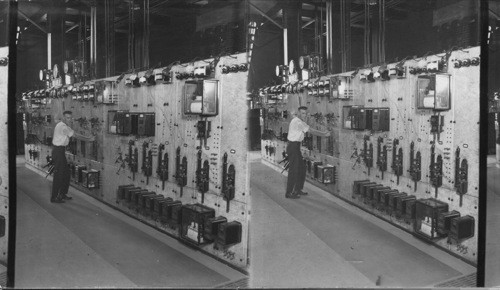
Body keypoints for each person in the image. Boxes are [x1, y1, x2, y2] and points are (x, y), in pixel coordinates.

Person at [285, 106, 330, 199]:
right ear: (298, 113)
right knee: (294, 170)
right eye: (302, 113)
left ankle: (298, 189)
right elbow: (311, 130)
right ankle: (289, 193)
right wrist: (324, 134)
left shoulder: (300, 121)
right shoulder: (297, 122)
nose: (304, 115)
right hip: (293, 146)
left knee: (302, 168)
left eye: (305, 113)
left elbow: (308, 129)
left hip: (296, 146)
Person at [51, 111, 94, 203]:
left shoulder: (65, 126)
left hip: (60, 151)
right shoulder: (62, 127)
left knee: (66, 174)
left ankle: (62, 194)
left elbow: (74, 133)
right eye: (67, 118)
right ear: (63, 118)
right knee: (59, 175)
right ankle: (54, 197)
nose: (69, 120)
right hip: (58, 151)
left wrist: (87, 137)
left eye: (70, 118)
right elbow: (76, 135)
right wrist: (89, 139)